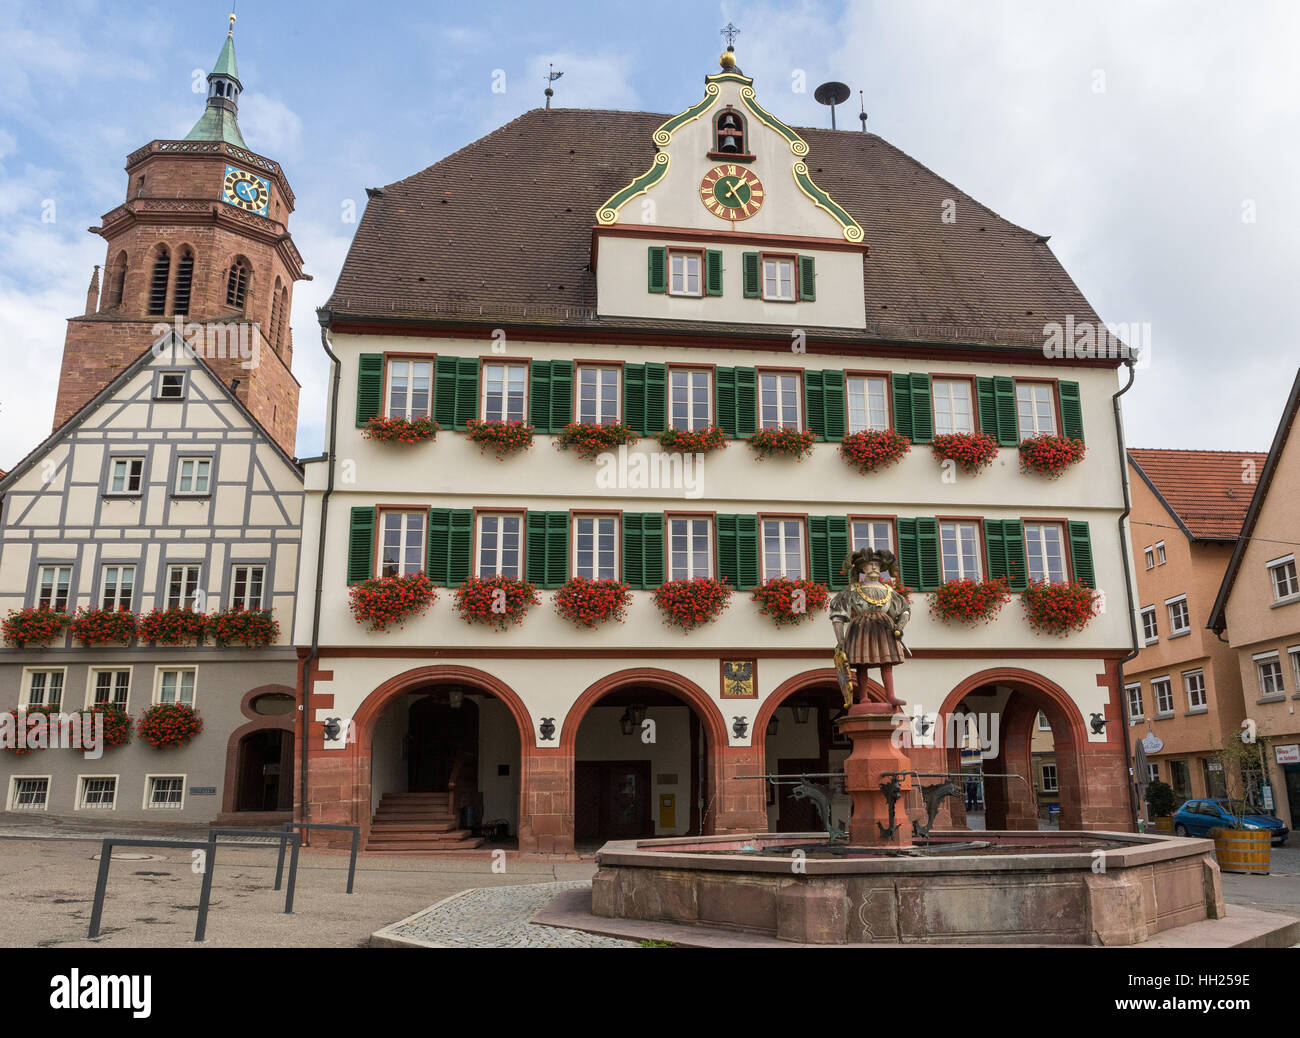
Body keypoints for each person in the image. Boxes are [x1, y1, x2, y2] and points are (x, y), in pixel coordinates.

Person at [829, 548, 911, 709]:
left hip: (885, 628)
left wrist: (900, 626)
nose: (873, 567)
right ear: (861, 569)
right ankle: (864, 697)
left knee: (886, 662)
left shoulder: (889, 591)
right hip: (861, 627)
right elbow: (838, 616)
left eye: (876, 564)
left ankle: (891, 695)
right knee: (862, 664)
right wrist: (840, 641)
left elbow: (904, 611)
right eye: (869, 564)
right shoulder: (852, 590)